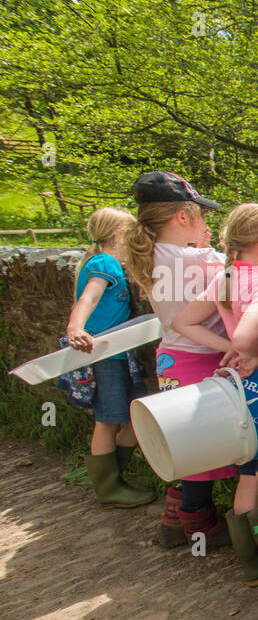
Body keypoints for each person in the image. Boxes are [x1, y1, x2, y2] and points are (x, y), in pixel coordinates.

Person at [173, 203, 258, 591]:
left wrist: (228, 346)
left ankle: (250, 566)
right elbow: (247, 336)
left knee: (247, 470)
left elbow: (182, 322)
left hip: (240, 390)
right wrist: (248, 348)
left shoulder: (227, 279)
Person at [123, 170, 233, 549]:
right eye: (200, 214)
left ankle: (176, 516)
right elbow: (248, 269)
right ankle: (200, 526)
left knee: (185, 440)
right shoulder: (199, 261)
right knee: (204, 445)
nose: (206, 222)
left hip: (171, 358)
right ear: (182, 218)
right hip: (201, 357)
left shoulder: (151, 254)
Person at [65, 206, 154, 509]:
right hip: (103, 354)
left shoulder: (112, 263)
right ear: (119, 236)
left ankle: (115, 478)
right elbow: (88, 298)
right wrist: (75, 327)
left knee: (131, 416)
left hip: (119, 353)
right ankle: (108, 489)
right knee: (107, 420)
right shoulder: (104, 262)